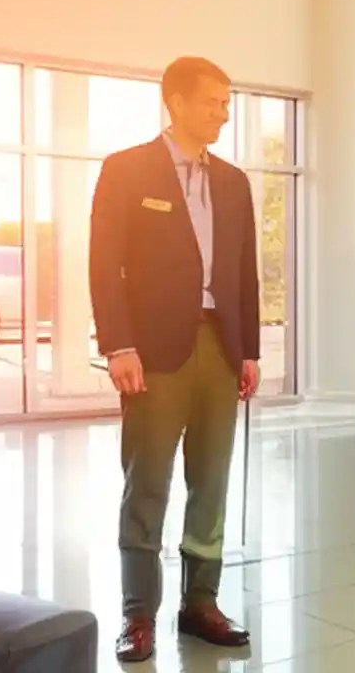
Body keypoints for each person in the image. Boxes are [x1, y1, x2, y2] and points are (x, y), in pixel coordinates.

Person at [89, 56, 261, 663]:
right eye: (214, 101)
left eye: (227, 101)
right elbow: (104, 265)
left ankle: (201, 603)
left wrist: (249, 351)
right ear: (177, 102)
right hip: (153, 351)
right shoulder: (127, 170)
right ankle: (139, 613)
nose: (223, 111)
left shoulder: (234, 182)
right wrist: (118, 343)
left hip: (220, 346)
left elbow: (244, 272)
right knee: (148, 484)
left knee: (211, 481)